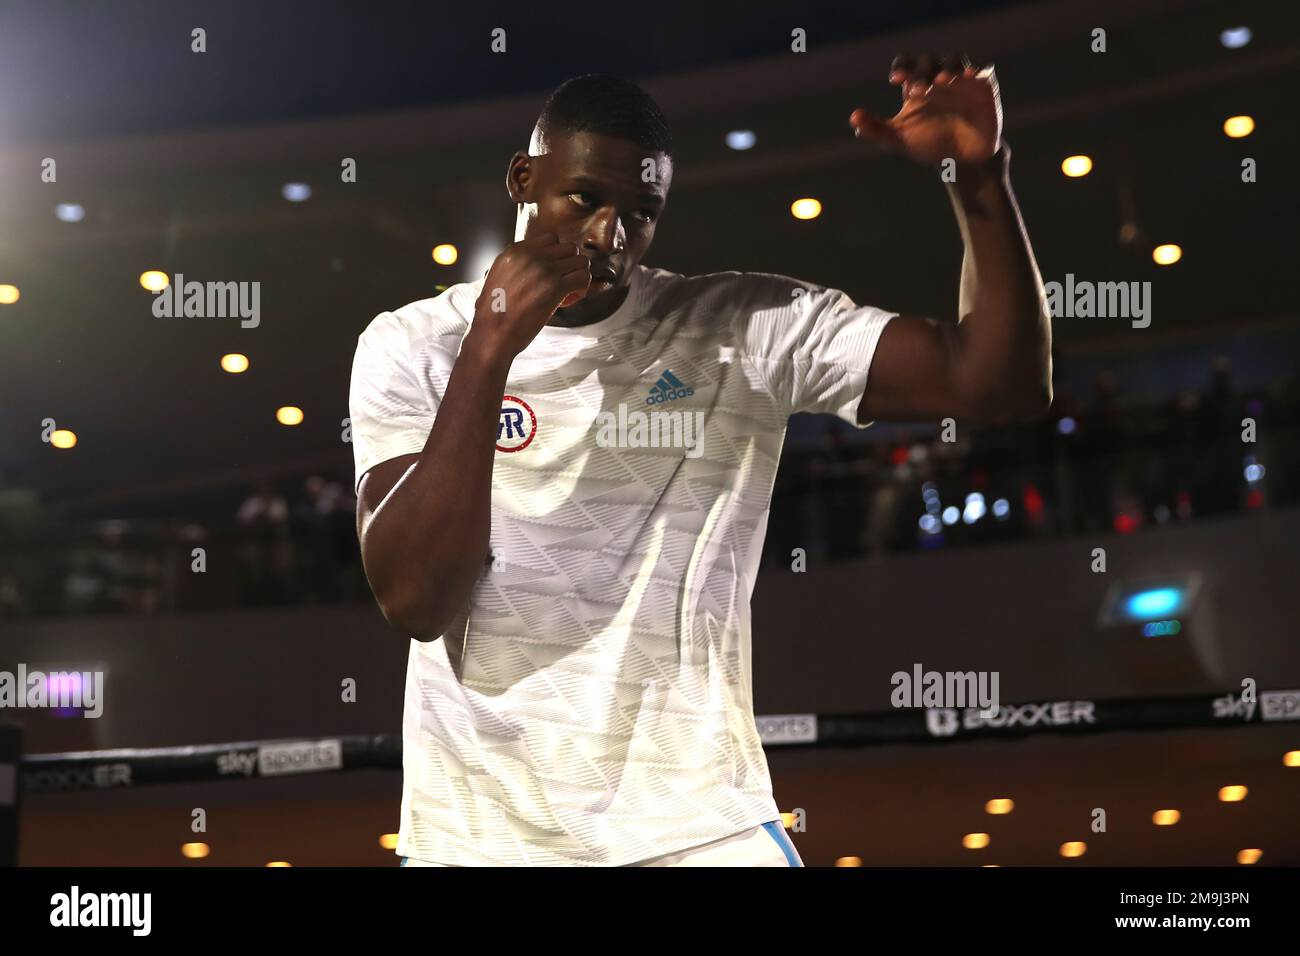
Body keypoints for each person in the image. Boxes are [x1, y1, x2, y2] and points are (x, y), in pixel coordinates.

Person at [350, 63, 1051, 867]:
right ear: (523, 179)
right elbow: (416, 599)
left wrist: (980, 179)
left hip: (697, 827)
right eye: (584, 198)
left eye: (640, 213)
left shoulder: (739, 325)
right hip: (478, 840)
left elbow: (996, 385)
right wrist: (490, 348)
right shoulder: (413, 345)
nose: (609, 237)